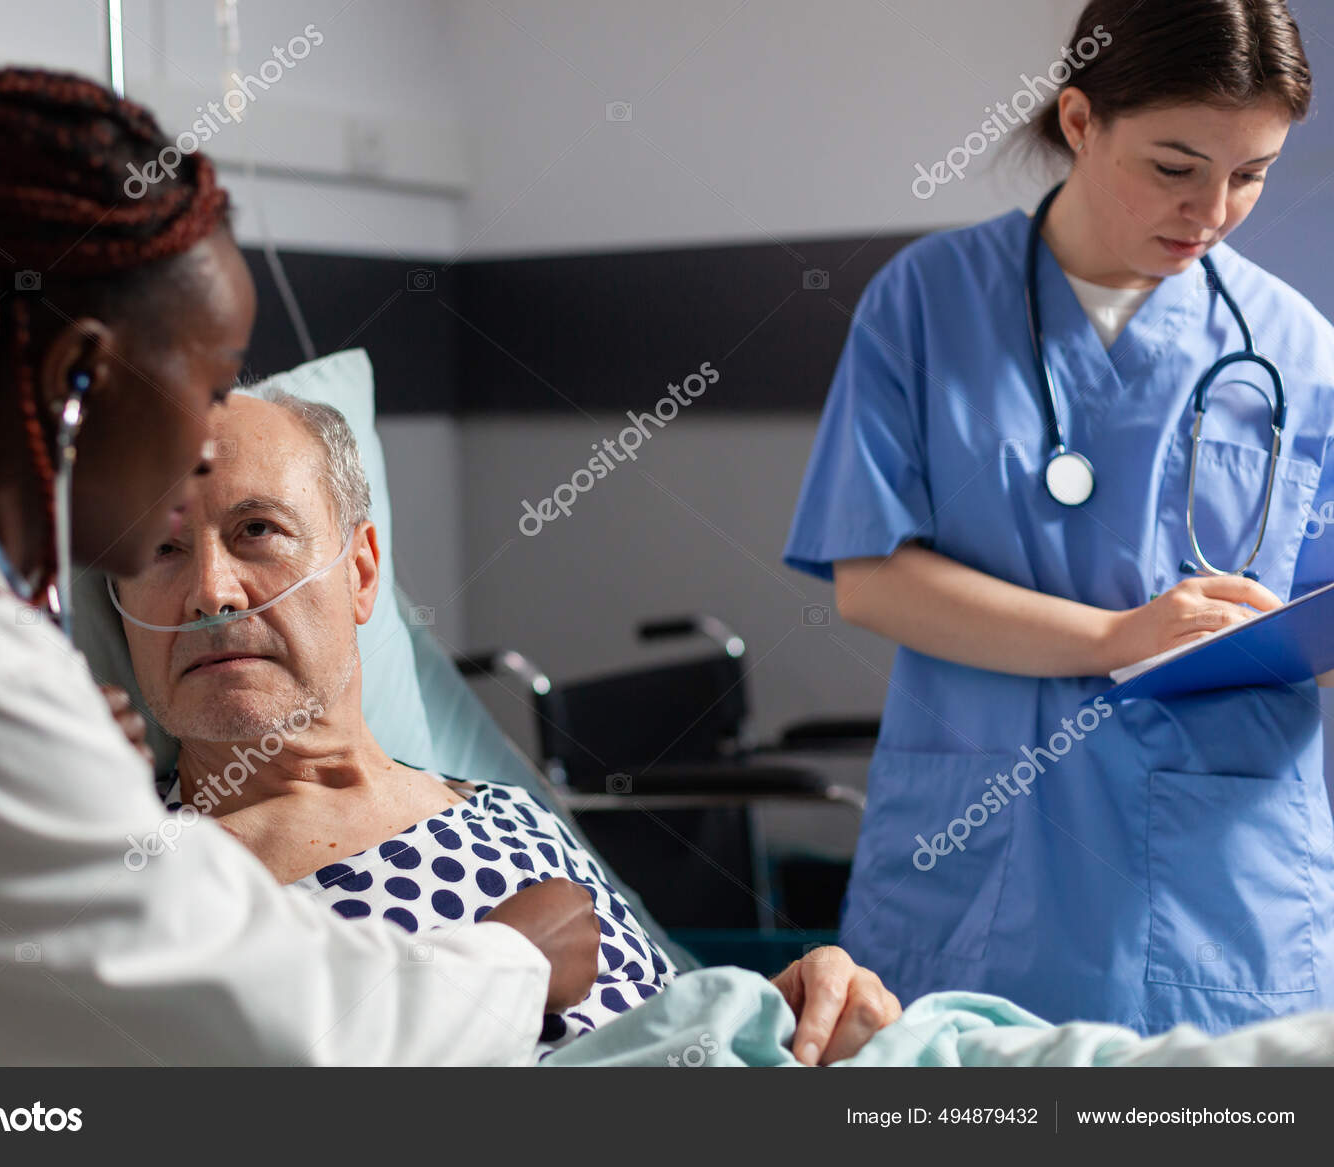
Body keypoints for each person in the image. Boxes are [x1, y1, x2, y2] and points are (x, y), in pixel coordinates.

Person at [0, 68, 603, 1066]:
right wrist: (510, 959)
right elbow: (278, 1040)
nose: (208, 443)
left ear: (363, 573)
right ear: (78, 383)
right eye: (211, 384)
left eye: (261, 532)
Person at [784, 0, 1334, 1035]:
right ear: (1079, 121)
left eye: (1250, 174)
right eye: (1175, 167)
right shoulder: (927, 302)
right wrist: (1116, 639)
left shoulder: (1297, 347)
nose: (1211, 209)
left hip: (1223, 875)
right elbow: (869, 574)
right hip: (986, 855)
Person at [110, 387, 904, 1063]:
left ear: (359, 574)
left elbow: (645, 1031)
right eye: (162, 548)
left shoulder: (506, 814)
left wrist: (788, 1009)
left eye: (257, 531)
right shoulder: (140, 875)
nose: (213, 590)